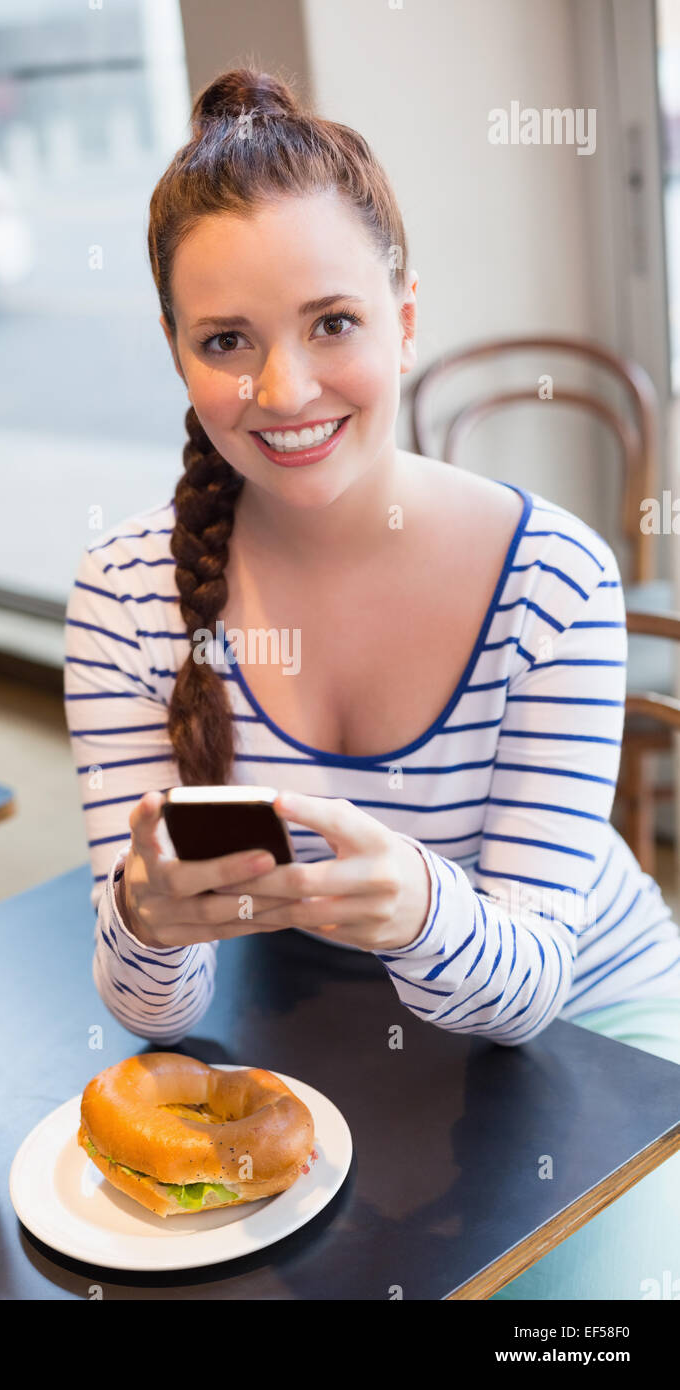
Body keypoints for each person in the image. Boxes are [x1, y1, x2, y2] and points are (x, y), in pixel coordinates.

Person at [64, 67, 680, 1297]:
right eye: (226, 341)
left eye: (331, 322)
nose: (283, 391)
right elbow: (147, 1008)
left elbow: (526, 995)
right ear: (177, 352)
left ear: (404, 316)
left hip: (596, 1044)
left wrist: (413, 906)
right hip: (327, 1044)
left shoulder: (549, 578)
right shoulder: (122, 595)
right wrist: (150, 921)